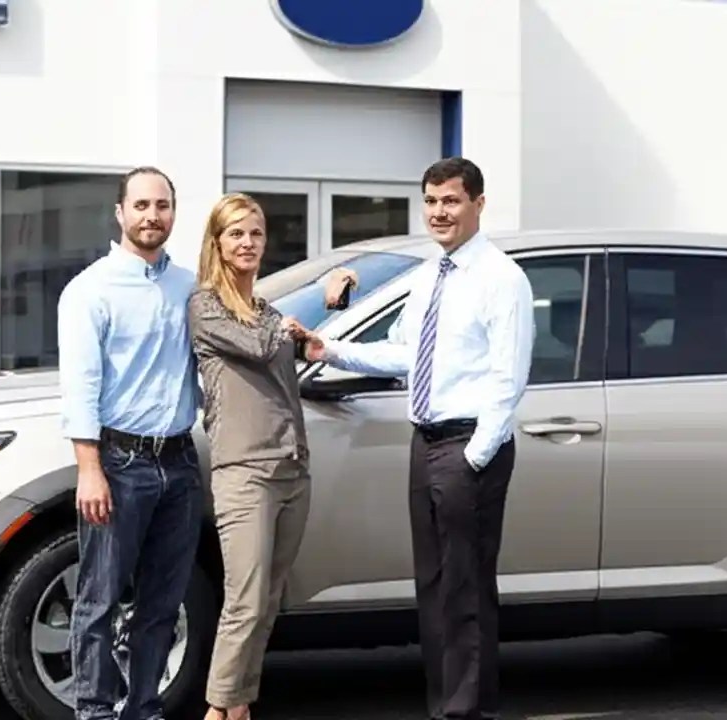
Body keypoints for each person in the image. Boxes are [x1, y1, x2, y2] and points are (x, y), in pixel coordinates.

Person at [297, 157, 534, 720]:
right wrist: (330, 350)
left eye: (450, 200)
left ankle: (467, 712)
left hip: (468, 447)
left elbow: (509, 376)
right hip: (424, 444)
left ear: (478, 203)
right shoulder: (431, 275)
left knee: (466, 590)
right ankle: (447, 706)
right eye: (430, 201)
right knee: (433, 587)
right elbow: (406, 352)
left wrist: (477, 454)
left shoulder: (502, 279)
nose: (438, 212)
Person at [58, 166, 204, 720]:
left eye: (162, 205)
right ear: (120, 214)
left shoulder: (189, 286)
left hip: (180, 465)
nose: (152, 216)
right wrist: (88, 467)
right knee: (98, 602)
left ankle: (144, 709)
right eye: (141, 205)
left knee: (162, 606)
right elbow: (81, 385)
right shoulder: (89, 290)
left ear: (173, 212)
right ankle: (94, 712)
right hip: (118, 466)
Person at [186, 193, 312, 720]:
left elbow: (285, 363)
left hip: (292, 468)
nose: (248, 243)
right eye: (236, 233)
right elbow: (262, 347)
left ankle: (240, 708)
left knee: (266, 603)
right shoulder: (206, 305)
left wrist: (304, 338)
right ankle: (218, 711)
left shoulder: (266, 310)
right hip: (245, 472)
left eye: (256, 233)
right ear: (217, 242)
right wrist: (303, 317)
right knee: (244, 601)